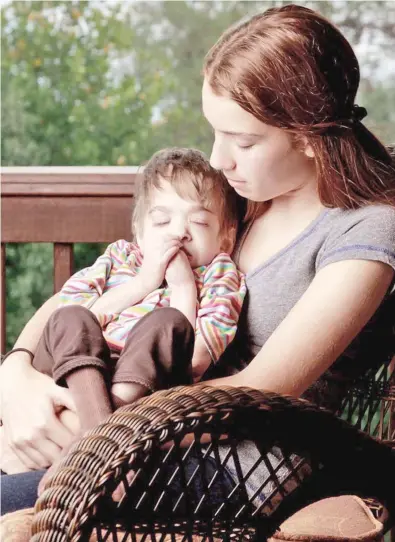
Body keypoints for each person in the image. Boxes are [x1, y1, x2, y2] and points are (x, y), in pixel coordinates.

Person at [1, 3, 394, 517]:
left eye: (243, 141)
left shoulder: (365, 229)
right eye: (215, 132)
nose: (217, 159)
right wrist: (17, 376)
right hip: (121, 422)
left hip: (234, 463)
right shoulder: (239, 199)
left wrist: (97, 431)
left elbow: (267, 385)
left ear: (310, 137)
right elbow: (79, 295)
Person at [0, 147, 246, 478]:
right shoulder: (119, 258)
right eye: (162, 220)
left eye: (199, 221)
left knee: (167, 323)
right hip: (74, 371)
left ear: (226, 238)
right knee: (71, 316)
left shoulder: (219, 275)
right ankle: (104, 437)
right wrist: (144, 283)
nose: (178, 231)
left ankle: (96, 437)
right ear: (139, 231)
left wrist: (183, 289)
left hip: (146, 386)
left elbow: (197, 358)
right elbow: (71, 316)